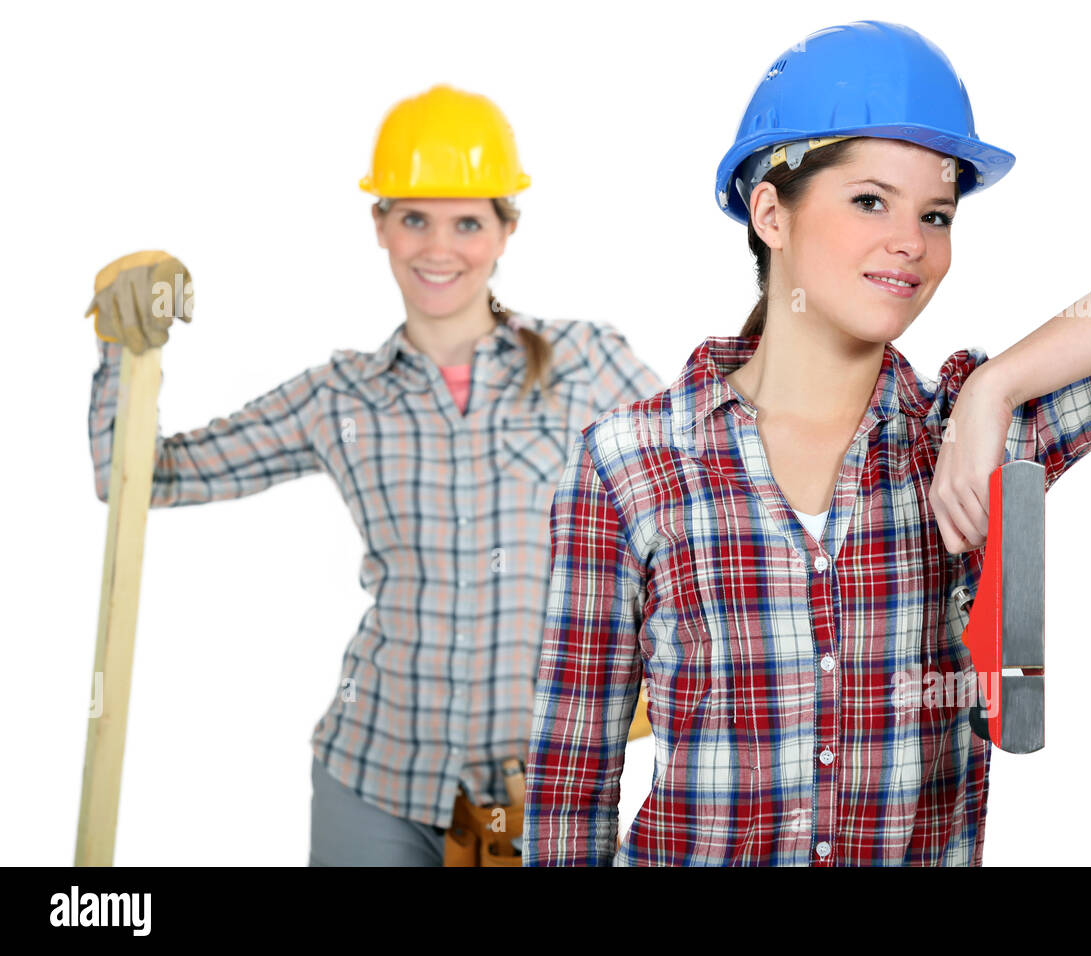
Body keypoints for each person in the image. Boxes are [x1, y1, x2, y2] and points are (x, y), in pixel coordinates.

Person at [522, 20, 1091, 865]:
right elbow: (568, 786)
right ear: (771, 210)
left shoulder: (967, 437)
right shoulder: (631, 463)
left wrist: (995, 388)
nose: (912, 242)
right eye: (870, 200)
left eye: (937, 213)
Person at [82, 83, 662, 866]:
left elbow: (701, 492)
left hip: (535, 792)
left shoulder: (584, 360)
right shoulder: (338, 394)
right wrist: (125, 348)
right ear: (380, 225)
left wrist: (658, 668)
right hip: (374, 775)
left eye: (467, 222)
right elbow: (142, 478)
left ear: (504, 231)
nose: (438, 247)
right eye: (413, 218)